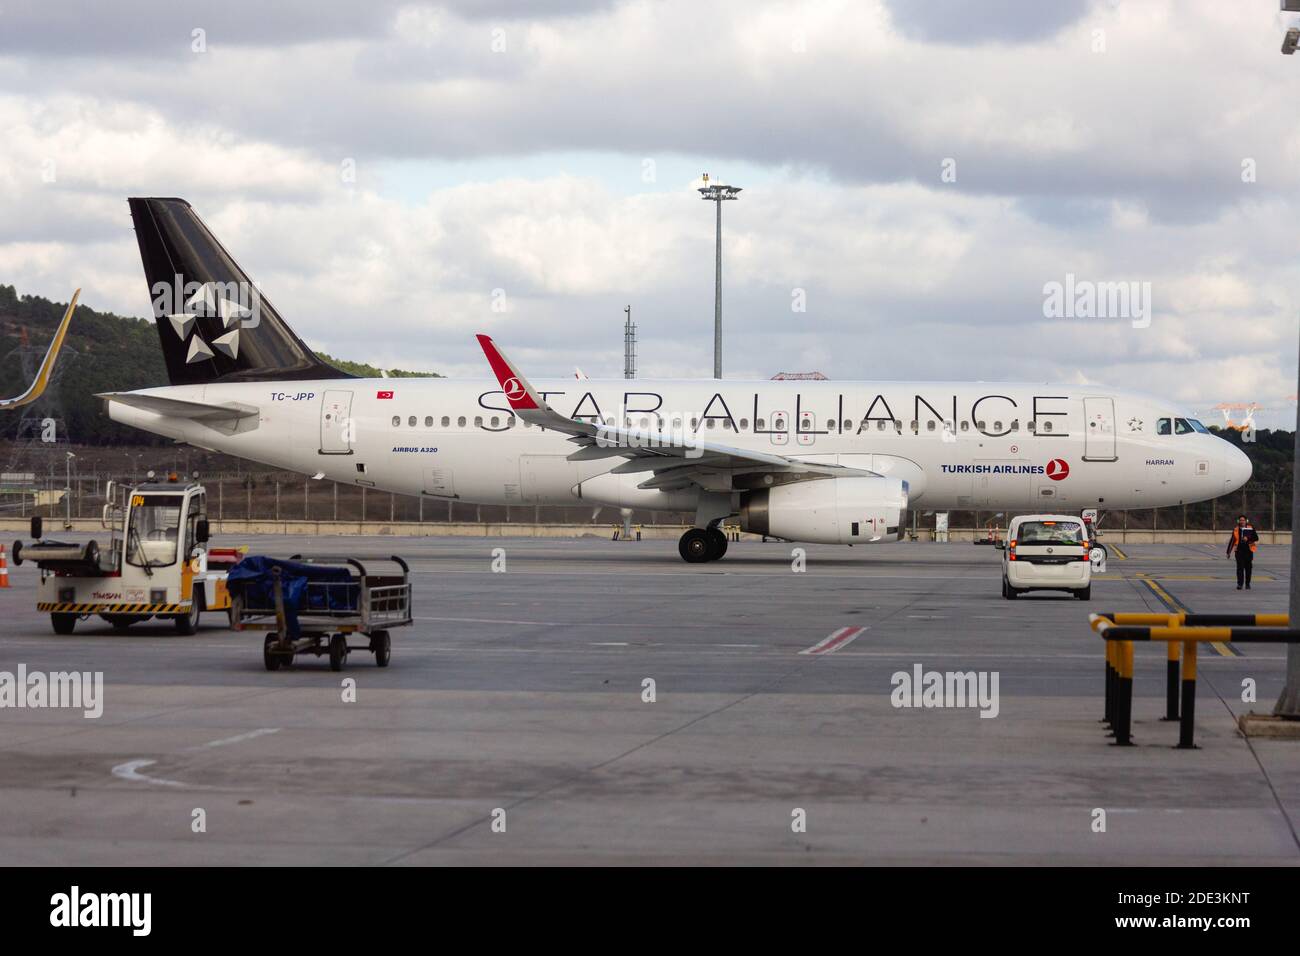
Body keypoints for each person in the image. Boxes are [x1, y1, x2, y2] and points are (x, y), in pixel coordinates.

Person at [1226, 514, 1259, 590]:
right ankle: (1240, 584)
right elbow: (1232, 541)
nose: (1242, 521)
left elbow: (1256, 538)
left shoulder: (1251, 528)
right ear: (1238, 521)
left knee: (1248, 568)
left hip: (1249, 551)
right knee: (1239, 568)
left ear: (1246, 521)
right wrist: (1228, 552)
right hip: (1239, 551)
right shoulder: (1236, 529)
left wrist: (1248, 538)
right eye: (1240, 520)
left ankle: (1247, 584)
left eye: (1243, 520)